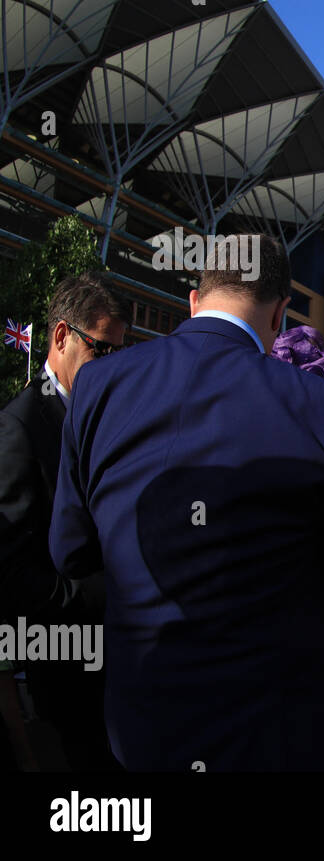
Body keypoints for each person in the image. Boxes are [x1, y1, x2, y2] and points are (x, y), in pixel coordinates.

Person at [48, 234, 324, 771]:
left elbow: (71, 551)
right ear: (281, 312)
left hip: (146, 723)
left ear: (195, 299)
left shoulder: (97, 384)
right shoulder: (319, 404)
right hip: (285, 730)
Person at [0, 273, 127, 771]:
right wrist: (106, 593)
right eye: (101, 349)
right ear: (60, 337)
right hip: (70, 672)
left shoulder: (109, 415)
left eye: (121, 352)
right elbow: (14, 578)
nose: (113, 366)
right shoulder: (19, 426)